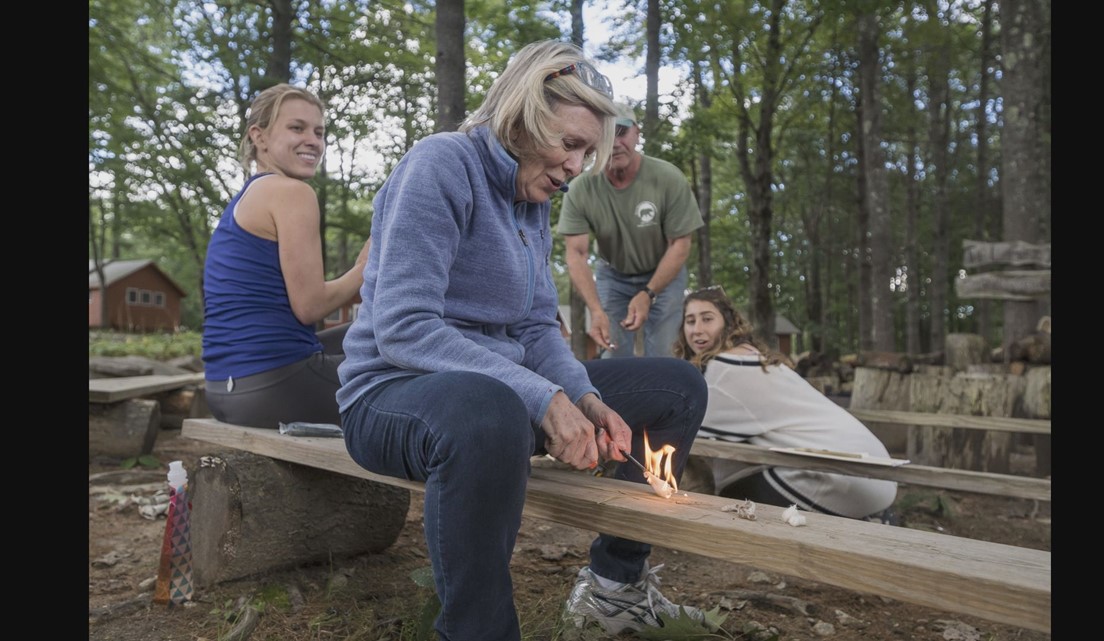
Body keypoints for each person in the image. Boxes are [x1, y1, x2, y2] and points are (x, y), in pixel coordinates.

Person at [336, 41, 713, 640]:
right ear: (522, 115)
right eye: (569, 144)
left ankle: (615, 588)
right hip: (394, 392)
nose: (574, 167)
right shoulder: (441, 165)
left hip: (504, 397)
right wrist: (541, 399)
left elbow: (536, 328)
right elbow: (404, 326)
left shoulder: (532, 202)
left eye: (587, 152)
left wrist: (584, 398)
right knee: (490, 409)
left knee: (677, 385)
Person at [202, 83, 370, 429]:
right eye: (297, 128)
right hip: (274, 387)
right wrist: (364, 268)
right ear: (259, 137)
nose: (313, 140)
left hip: (225, 388)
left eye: (319, 132)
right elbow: (309, 306)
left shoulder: (249, 195)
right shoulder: (292, 193)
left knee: (381, 332)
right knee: (414, 367)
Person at [673, 286, 898, 522]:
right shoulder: (751, 357)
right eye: (690, 321)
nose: (697, 330)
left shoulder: (724, 370)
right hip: (874, 470)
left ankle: (861, 522)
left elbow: (686, 427)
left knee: (734, 499)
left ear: (728, 323)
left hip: (846, 478)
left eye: (707, 319)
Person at [558, 103, 704, 358]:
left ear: (636, 133)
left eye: (621, 132)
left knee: (663, 352)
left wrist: (648, 293)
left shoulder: (668, 178)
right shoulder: (580, 189)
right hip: (612, 276)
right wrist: (596, 310)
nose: (613, 143)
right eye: (604, 135)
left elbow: (680, 244)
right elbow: (576, 255)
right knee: (612, 352)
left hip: (663, 274)